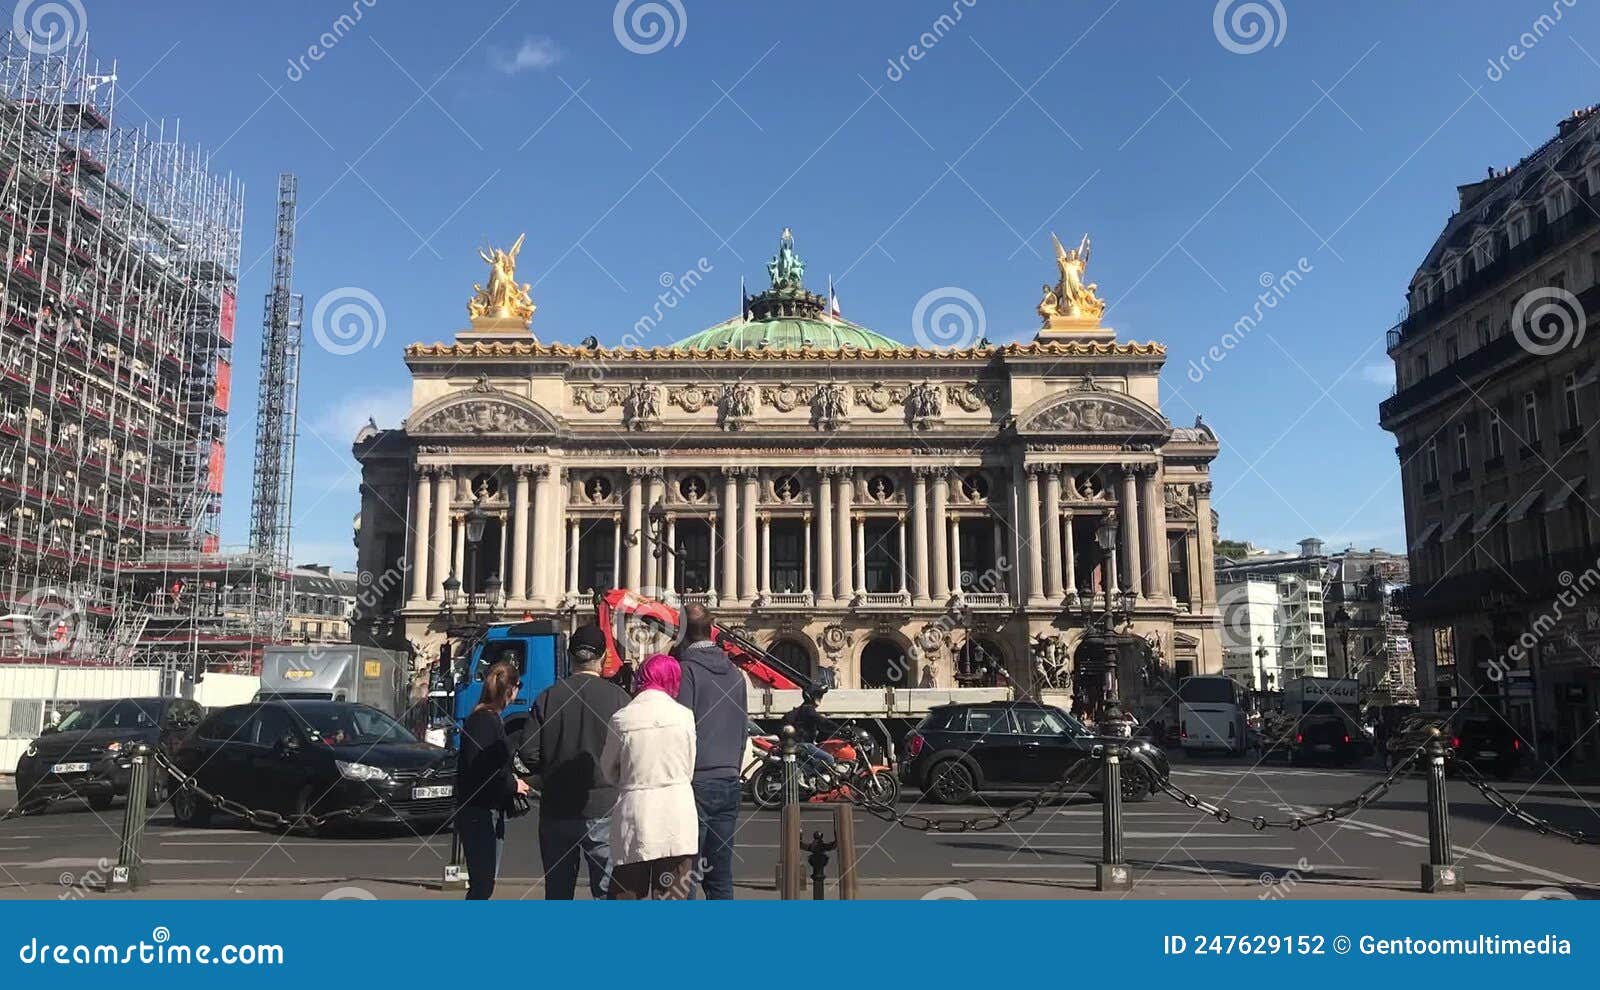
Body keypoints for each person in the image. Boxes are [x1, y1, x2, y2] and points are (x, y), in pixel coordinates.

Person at [523, 624, 631, 899]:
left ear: (570, 657)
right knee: (608, 893)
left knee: (558, 893)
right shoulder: (619, 698)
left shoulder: (548, 697)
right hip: (604, 804)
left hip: (557, 805)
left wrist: (548, 770)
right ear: (604, 657)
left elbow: (529, 753)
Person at [601, 654, 698, 899]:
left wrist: (630, 783)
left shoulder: (622, 718)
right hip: (677, 815)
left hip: (635, 814)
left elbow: (607, 770)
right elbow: (689, 767)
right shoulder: (684, 716)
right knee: (672, 895)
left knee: (626, 894)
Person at [674, 604, 747, 899]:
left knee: (687, 873)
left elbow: (682, 727)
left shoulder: (687, 671)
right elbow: (742, 729)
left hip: (695, 780)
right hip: (729, 778)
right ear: (712, 628)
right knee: (720, 874)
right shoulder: (735, 674)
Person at [453, 660, 529, 900]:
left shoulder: (483, 718)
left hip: (480, 810)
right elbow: (484, 770)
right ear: (511, 689)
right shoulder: (486, 721)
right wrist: (513, 784)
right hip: (480, 812)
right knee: (482, 885)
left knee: (483, 883)